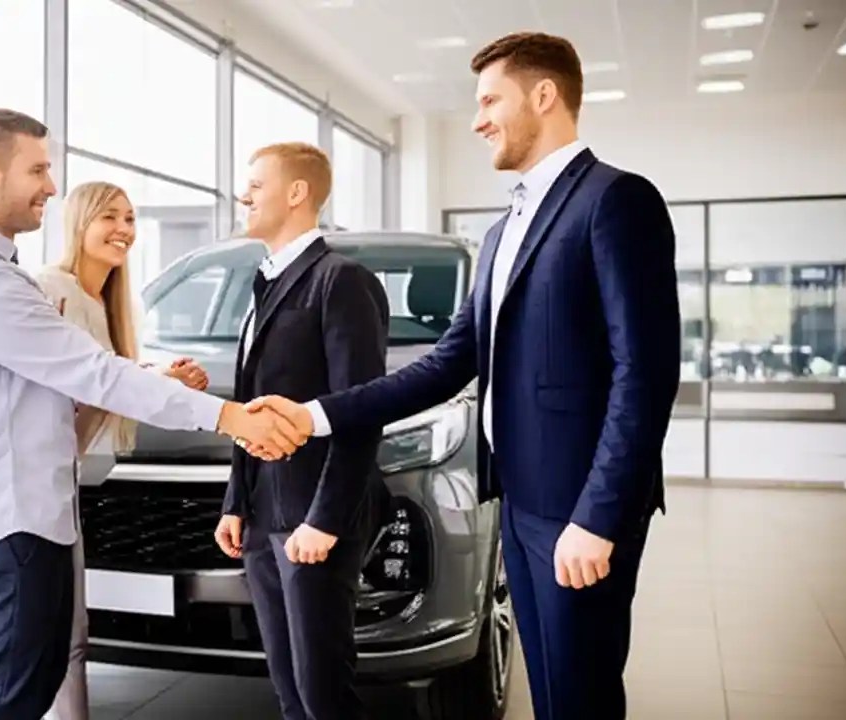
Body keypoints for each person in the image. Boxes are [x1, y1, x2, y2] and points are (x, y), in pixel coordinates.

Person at [246, 33, 681, 720]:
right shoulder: (503, 227)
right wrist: (315, 415)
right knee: (553, 694)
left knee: (583, 698)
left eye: (489, 100)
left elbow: (646, 372)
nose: (477, 119)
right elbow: (449, 362)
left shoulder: (617, 200)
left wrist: (598, 517)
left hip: (579, 508)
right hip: (518, 497)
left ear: (544, 95)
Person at [0, 108, 302, 720]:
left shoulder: (1, 274)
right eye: (38, 170)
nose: (51, 186)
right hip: (7, 522)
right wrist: (230, 417)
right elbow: (94, 372)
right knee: (4, 700)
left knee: (32, 682)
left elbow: (74, 381)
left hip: (33, 515)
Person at [214, 142, 389, 720]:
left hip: (313, 518)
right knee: (290, 693)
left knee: (323, 695)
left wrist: (326, 518)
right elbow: (249, 406)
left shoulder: (341, 281)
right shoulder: (261, 285)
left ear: (297, 193)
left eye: (256, 185)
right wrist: (236, 502)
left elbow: (359, 410)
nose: (244, 195)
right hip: (265, 515)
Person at [36, 180, 207, 720]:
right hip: (34, 488)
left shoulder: (109, 306)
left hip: (70, 485)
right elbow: (80, 378)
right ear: (78, 223)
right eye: (110, 217)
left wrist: (164, 378)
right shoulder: (50, 288)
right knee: (54, 640)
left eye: (131, 219)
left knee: (73, 638)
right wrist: (156, 377)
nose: (124, 230)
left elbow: (104, 383)